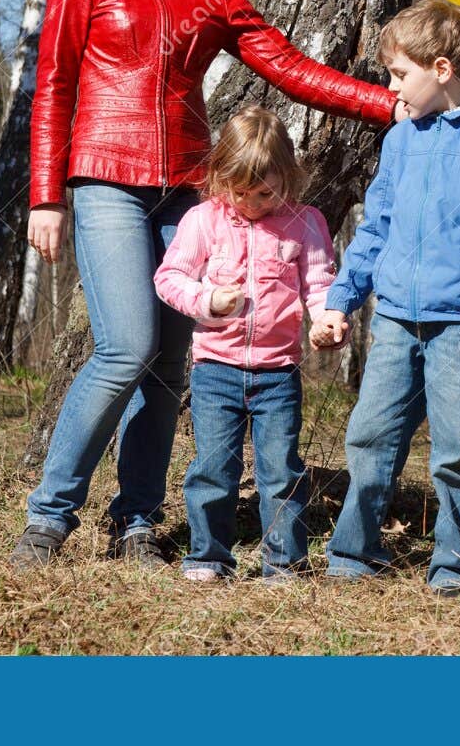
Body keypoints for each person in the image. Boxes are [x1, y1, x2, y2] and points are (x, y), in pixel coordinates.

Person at [11, 0, 401, 570]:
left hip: (188, 194)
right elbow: (54, 86)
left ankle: (135, 522)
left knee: (165, 366)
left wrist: (385, 105)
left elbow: (286, 65)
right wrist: (45, 194)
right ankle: (48, 517)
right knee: (126, 344)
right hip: (104, 178)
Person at [312, 0, 460, 596]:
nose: (391, 88)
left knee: (458, 447)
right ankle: (351, 552)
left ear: (441, 69)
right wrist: (341, 299)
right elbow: (376, 228)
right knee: (370, 435)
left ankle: (452, 563)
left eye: (399, 75)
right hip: (393, 316)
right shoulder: (401, 140)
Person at [152, 107, 334, 582]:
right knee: (213, 467)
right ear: (220, 178)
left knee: (281, 472)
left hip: (279, 372)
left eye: (265, 192)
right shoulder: (203, 221)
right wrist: (208, 299)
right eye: (241, 192)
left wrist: (328, 319)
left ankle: (284, 563)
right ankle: (209, 556)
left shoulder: (304, 222)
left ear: (287, 177)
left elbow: (320, 283)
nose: (253, 203)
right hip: (217, 368)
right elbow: (169, 279)